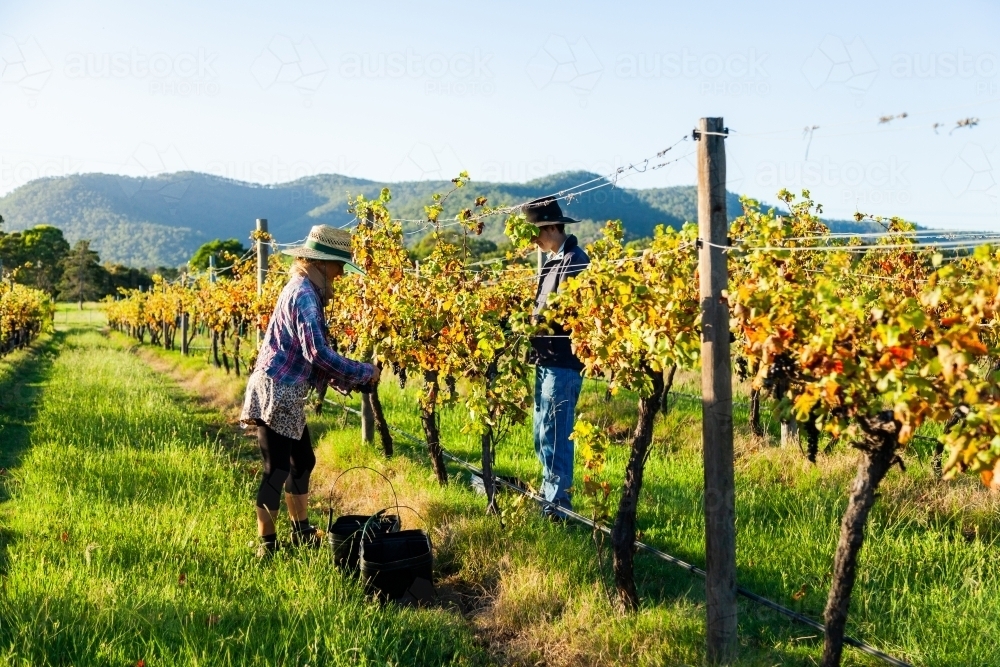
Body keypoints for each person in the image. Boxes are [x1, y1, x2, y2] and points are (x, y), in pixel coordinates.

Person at [240, 225, 379, 556]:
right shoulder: (304, 295)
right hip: (278, 390)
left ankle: (300, 531)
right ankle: (267, 546)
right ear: (321, 263)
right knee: (278, 469)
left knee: (302, 460)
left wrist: (353, 377)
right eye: (339, 266)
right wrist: (362, 371)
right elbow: (317, 354)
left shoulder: (306, 290)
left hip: (284, 389)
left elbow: (312, 358)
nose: (341, 274)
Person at [526, 196, 590, 520]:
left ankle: (558, 511)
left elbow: (568, 315)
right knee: (542, 435)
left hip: (562, 365)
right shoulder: (552, 261)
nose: (534, 239)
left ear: (552, 226)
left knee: (555, 437)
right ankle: (549, 501)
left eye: (537, 232)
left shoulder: (576, 261)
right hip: (544, 363)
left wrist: (536, 323)